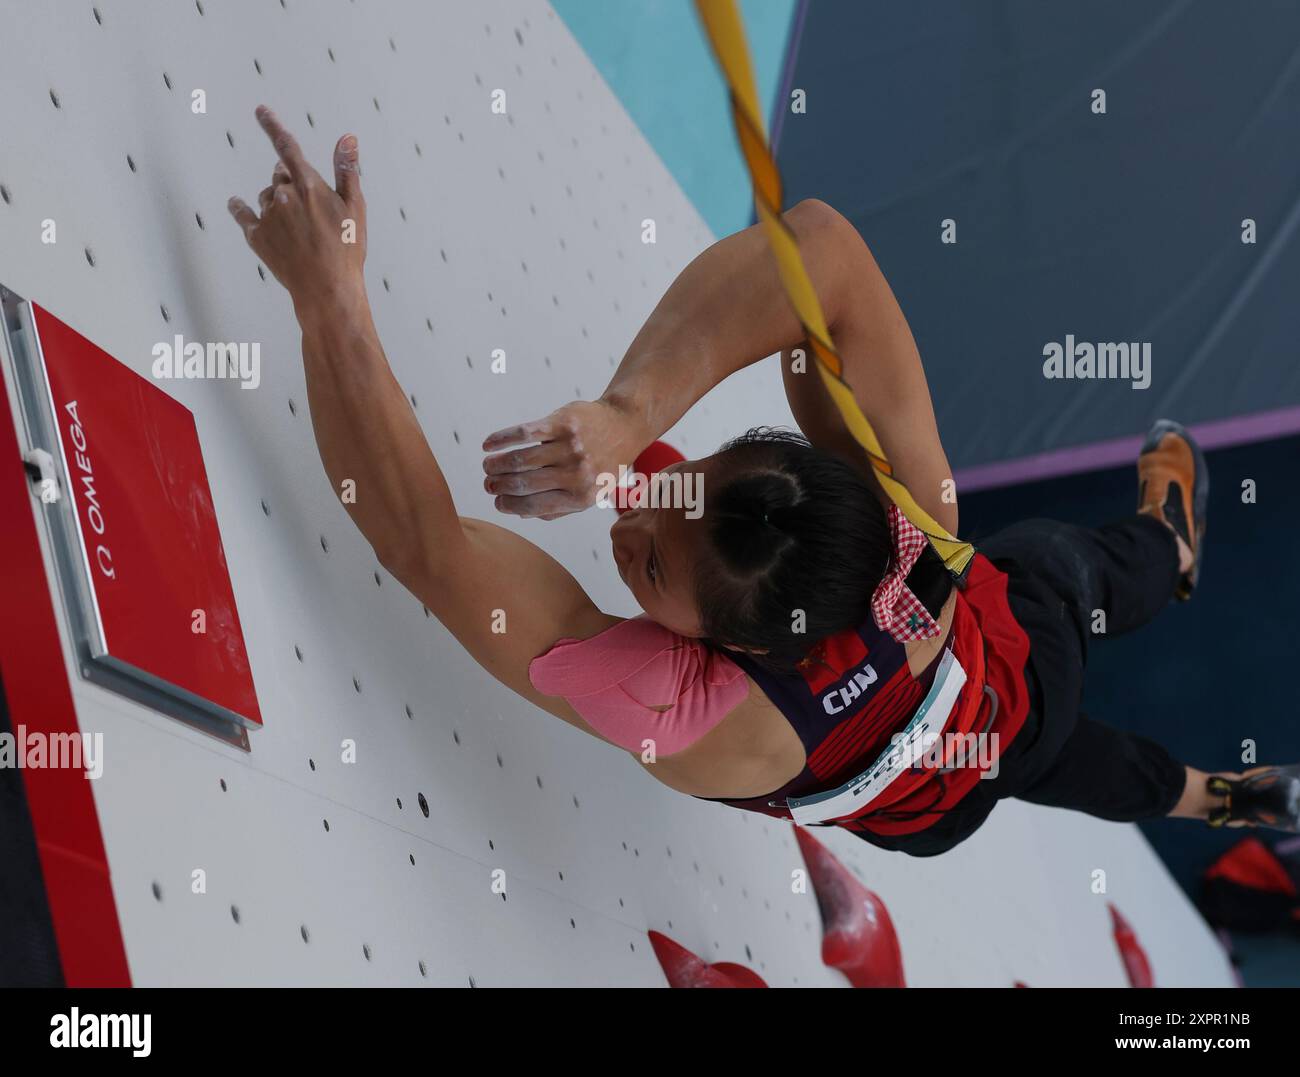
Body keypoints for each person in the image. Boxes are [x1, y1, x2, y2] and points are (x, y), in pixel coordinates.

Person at [228, 107, 1299, 857]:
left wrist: (329, 299)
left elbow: (422, 545)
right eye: (683, 478)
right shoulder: (903, 502)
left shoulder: (706, 715)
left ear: (724, 650)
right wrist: (631, 417)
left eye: (646, 560)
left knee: (1084, 605)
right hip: (980, 700)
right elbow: (821, 252)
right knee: (1046, 730)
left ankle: (1180, 572)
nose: (638, 506)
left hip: (996, 683)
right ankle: (1215, 787)